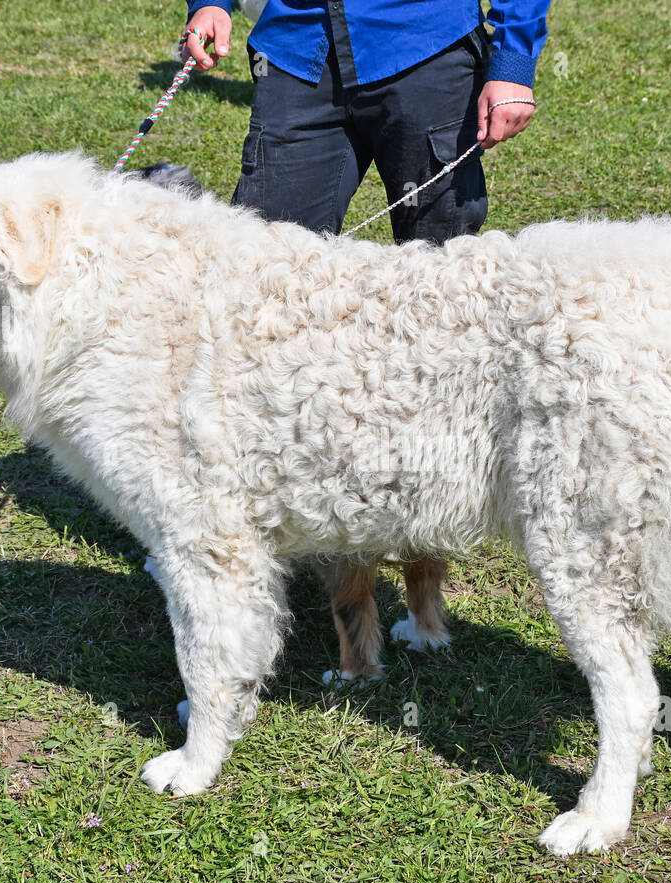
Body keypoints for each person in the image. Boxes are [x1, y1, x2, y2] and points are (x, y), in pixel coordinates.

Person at [180, 0, 553, 681]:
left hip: (424, 51)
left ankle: (425, 580)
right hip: (299, 56)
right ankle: (267, 549)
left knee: (441, 330)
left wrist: (512, 60)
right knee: (262, 312)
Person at [183, 0, 550, 242]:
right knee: (264, 262)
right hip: (298, 47)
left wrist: (514, 61)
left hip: (427, 47)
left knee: (441, 271)